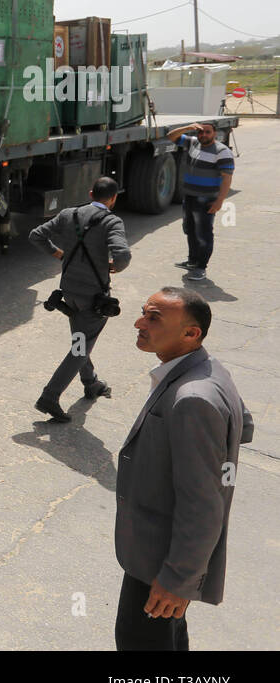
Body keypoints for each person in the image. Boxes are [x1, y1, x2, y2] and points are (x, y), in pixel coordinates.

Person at [116, 288, 251, 650]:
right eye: (144, 313)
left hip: (161, 560)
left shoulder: (193, 398)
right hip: (161, 554)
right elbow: (245, 424)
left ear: (191, 333)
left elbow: (204, 504)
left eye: (153, 318)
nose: (139, 323)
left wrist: (178, 579)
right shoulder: (208, 369)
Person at [28, 176, 131, 422]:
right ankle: (50, 397)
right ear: (114, 198)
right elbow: (123, 254)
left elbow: (36, 235)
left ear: (91, 192)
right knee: (81, 348)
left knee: (80, 340)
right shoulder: (111, 221)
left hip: (69, 292)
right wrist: (114, 266)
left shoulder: (68, 214)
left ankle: (91, 383)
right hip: (93, 296)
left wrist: (59, 254)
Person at [166, 122, 235, 281]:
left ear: (215, 133)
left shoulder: (222, 151)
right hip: (189, 196)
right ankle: (192, 261)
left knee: (203, 234)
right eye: (201, 132)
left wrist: (219, 201)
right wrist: (188, 127)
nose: (204, 135)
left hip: (206, 199)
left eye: (207, 132)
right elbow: (171, 136)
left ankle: (201, 268)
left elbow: (227, 178)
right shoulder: (193, 142)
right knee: (190, 229)